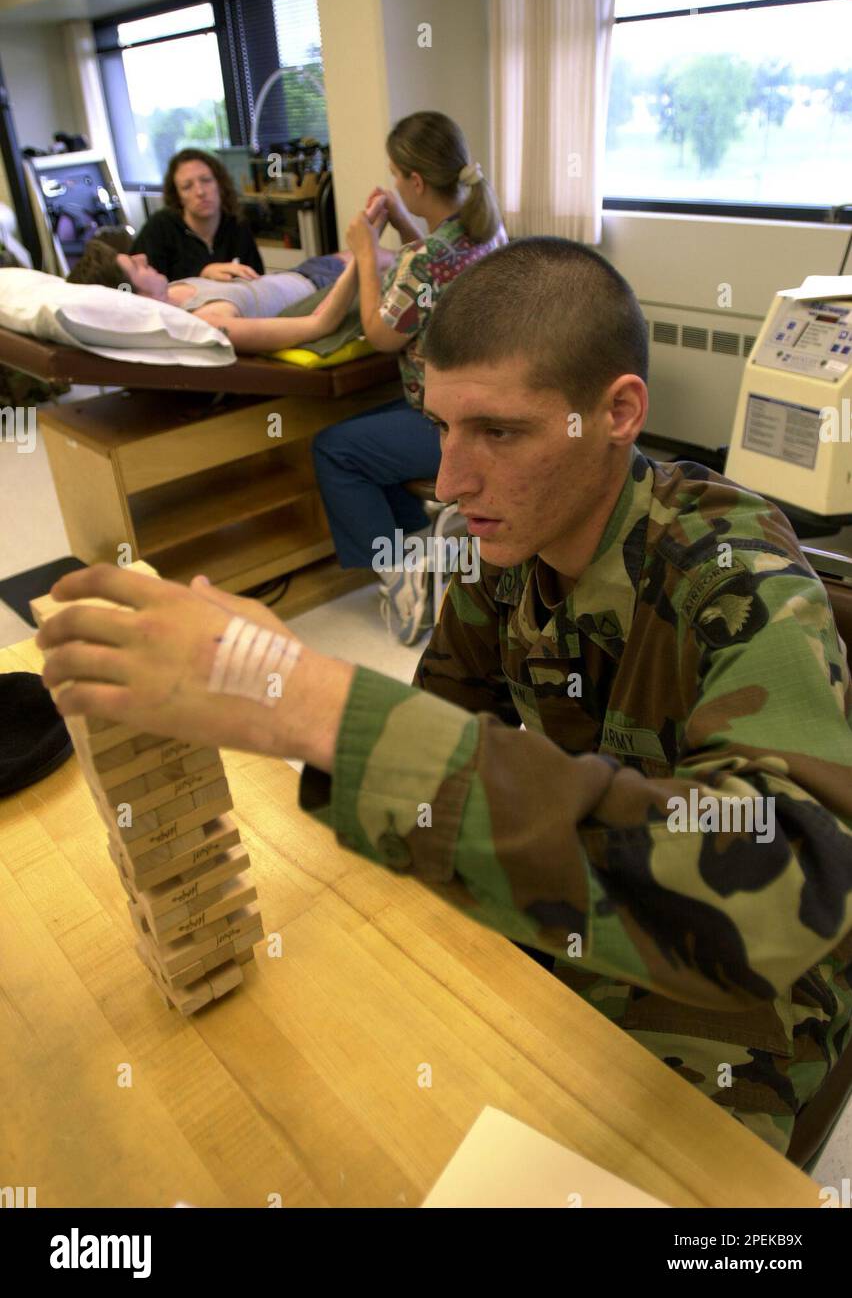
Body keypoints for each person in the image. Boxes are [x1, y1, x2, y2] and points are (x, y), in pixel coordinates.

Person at [35, 237, 852, 1160]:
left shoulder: (733, 572)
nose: (453, 484)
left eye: (500, 432)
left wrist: (308, 700)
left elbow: (791, 897)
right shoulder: (495, 542)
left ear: (617, 413)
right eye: (440, 428)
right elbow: (451, 737)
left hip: (734, 976)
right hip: (581, 894)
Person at [313, 111, 508, 644]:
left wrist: (362, 254)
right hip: (492, 411)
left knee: (335, 449)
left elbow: (380, 332)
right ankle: (426, 540)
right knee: (368, 427)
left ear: (416, 181)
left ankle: (400, 572)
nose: (396, 183)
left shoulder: (425, 259)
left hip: (446, 424)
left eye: (398, 176)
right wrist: (403, 221)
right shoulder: (486, 232)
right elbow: (430, 272)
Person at [66, 196, 394, 355]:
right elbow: (319, 325)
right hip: (324, 288)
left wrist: (206, 273)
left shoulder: (175, 290)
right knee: (422, 263)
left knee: (421, 254)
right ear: (132, 297)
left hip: (307, 270)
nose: (142, 256)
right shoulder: (204, 322)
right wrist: (363, 256)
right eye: (135, 267)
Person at [130, 148, 264, 282]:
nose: (200, 192)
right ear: (178, 197)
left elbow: (257, 280)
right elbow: (139, 288)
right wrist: (201, 274)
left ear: (220, 184)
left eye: (206, 180)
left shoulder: (237, 224)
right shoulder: (159, 228)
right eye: (187, 186)